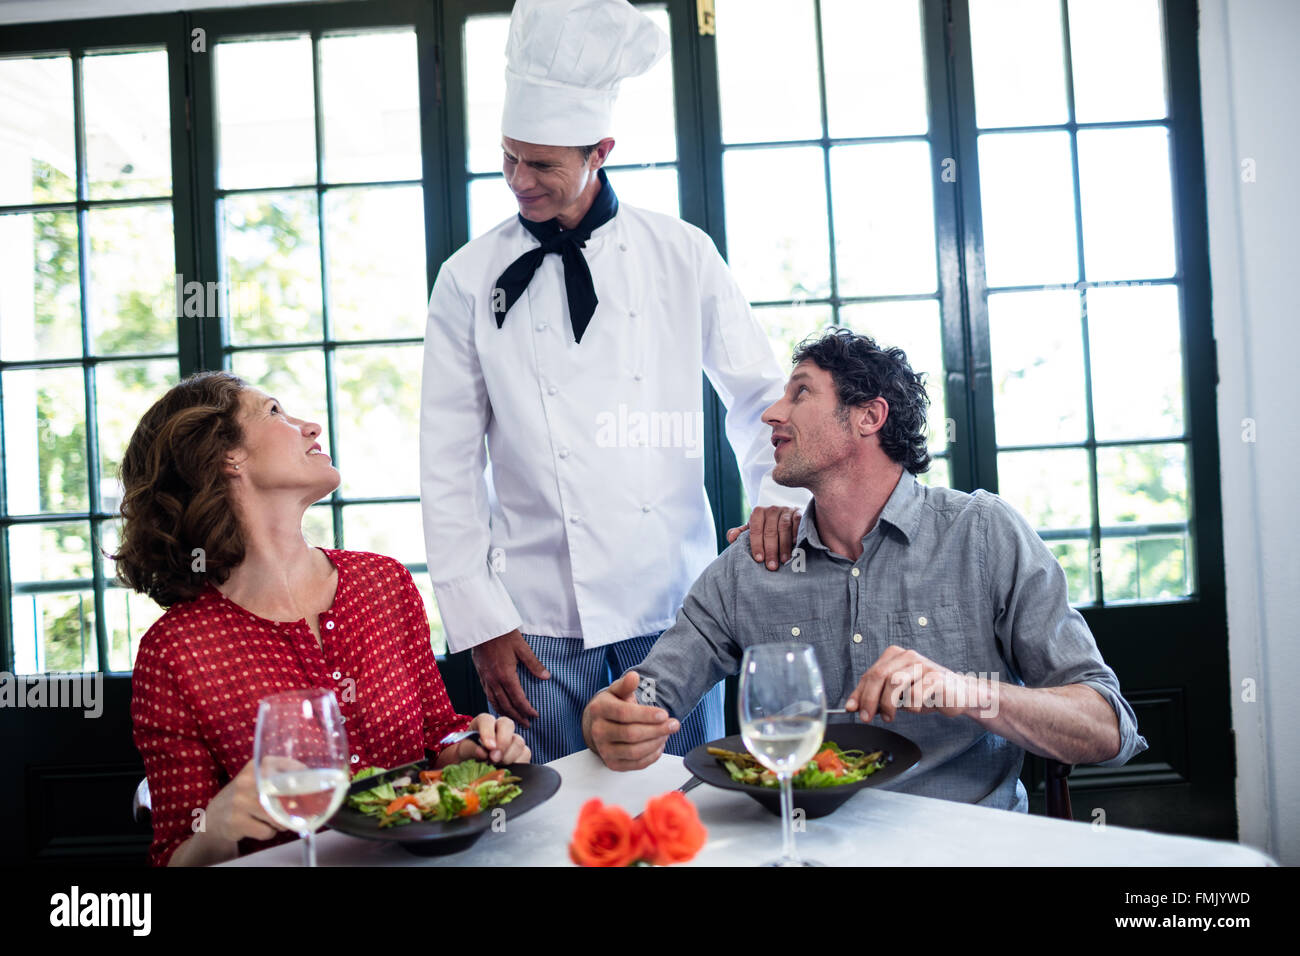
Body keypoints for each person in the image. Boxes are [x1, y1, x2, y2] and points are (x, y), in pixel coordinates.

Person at [419, 0, 807, 764]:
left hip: (675, 611)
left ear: (600, 150)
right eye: (508, 157)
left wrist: (780, 501)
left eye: (541, 164)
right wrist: (478, 621)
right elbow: (447, 462)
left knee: (684, 819)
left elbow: (762, 396)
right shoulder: (467, 278)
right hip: (532, 625)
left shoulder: (681, 253)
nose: (517, 181)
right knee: (548, 828)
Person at [582, 328, 1149, 809]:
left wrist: (965, 690)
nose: (771, 413)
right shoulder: (748, 567)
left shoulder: (982, 534)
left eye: (800, 393)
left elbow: (1106, 728)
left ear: (868, 416)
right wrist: (609, 724)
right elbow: (646, 697)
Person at [119, 372, 529, 867]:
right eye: (274, 413)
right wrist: (218, 824)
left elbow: (437, 732)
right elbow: (174, 857)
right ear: (227, 456)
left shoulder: (384, 582)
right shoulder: (175, 651)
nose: (310, 426)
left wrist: (471, 751)